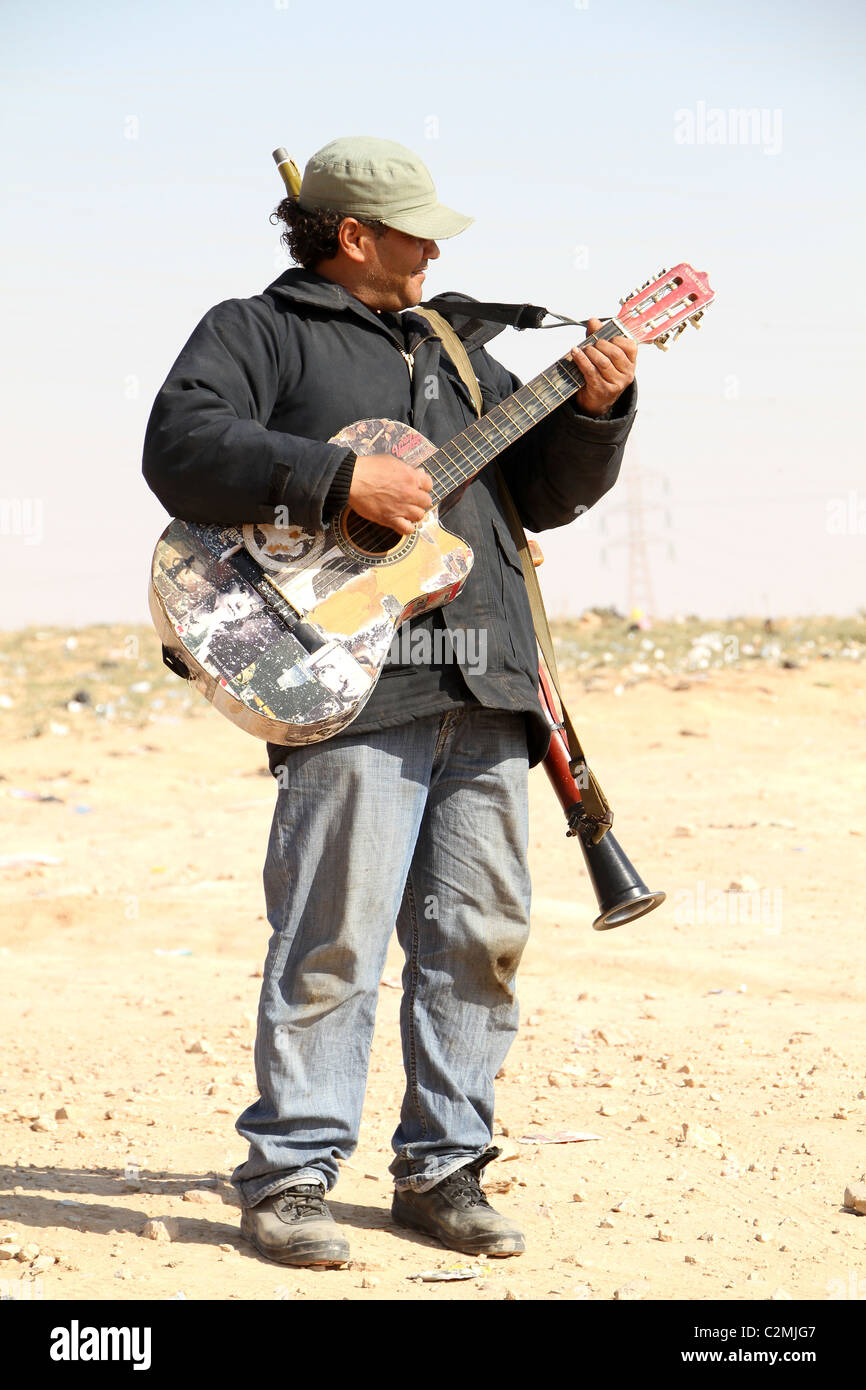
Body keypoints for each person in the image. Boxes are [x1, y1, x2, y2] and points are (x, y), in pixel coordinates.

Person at [142, 136, 638, 1268]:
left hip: (487, 674)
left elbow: (545, 496)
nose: (433, 249)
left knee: (479, 937)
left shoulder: (459, 353)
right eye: (414, 230)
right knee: (330, 937)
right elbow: (180, 445)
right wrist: (334, 477)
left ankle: (444, 1169)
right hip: (344, 681)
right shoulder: (255, 331)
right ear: (352, 235)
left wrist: (599, 411)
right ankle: (290, 1177)